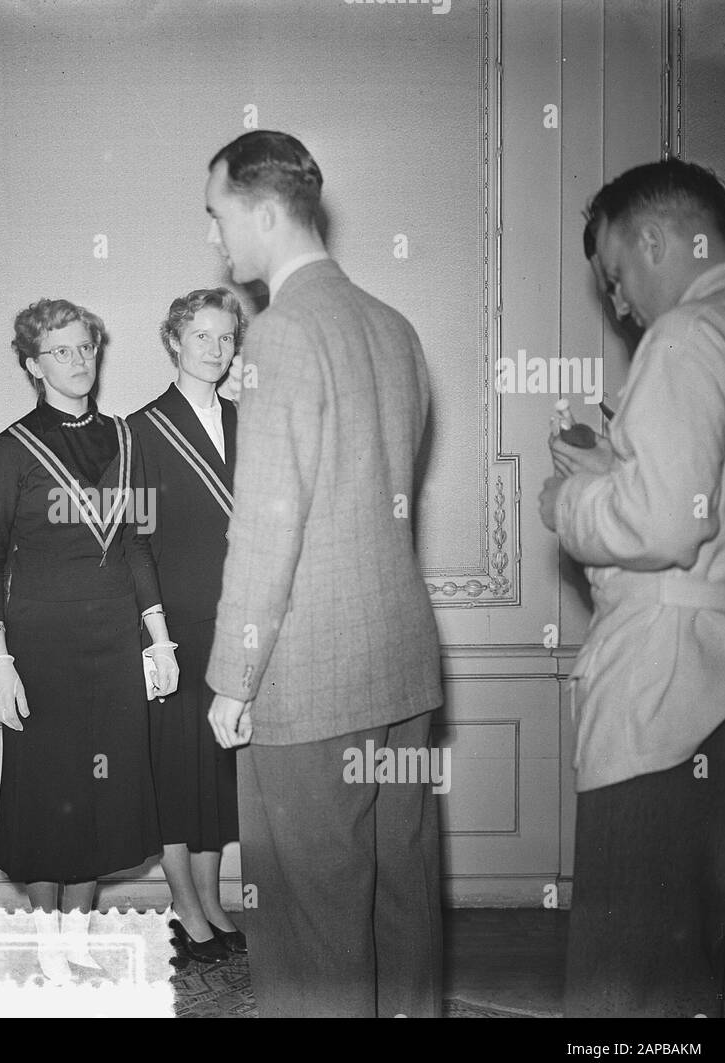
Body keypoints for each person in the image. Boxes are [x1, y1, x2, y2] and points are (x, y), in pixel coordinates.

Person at [202, 132, 444, 1018]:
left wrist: (234, 676)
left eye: (219, 214)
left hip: (308, 679)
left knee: (311, 924)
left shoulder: (281, 331)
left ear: (264, 212)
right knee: (402, 899)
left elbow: (271, 530)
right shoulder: (393, 324)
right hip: (400, 661)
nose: (217, 238)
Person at [542, 159, 725, 1017]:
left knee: (628, 984)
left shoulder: (688, 333)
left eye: (617, 276)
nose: (622, 305)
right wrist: (621, 465)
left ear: (658, 239)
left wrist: (572, 499)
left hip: (667, 702)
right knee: (714, 965)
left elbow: (667, 526)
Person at [0, 298, 176, 981]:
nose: (78, 360)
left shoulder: (126, 438)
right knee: (47, 796)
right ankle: (47, 941)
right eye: (60, 351)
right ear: (33, 365)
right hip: (41, 648)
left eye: (85, 346)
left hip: (115, 643)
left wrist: (160, 640)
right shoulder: (9, 449)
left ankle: (78, 937)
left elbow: (138, 546)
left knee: (103, 797)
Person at [129, 288, 246, 963]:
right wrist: (154, 634)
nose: (213, 347)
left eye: (225, 336)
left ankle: (211, 898)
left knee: (217, 771)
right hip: (171, 626)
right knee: (175, 768)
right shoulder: (140, 430)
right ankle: (182, 905)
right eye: (200, 335)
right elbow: (134, 543)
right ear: (174, 340)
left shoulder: (247, 420)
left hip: (235, 625)